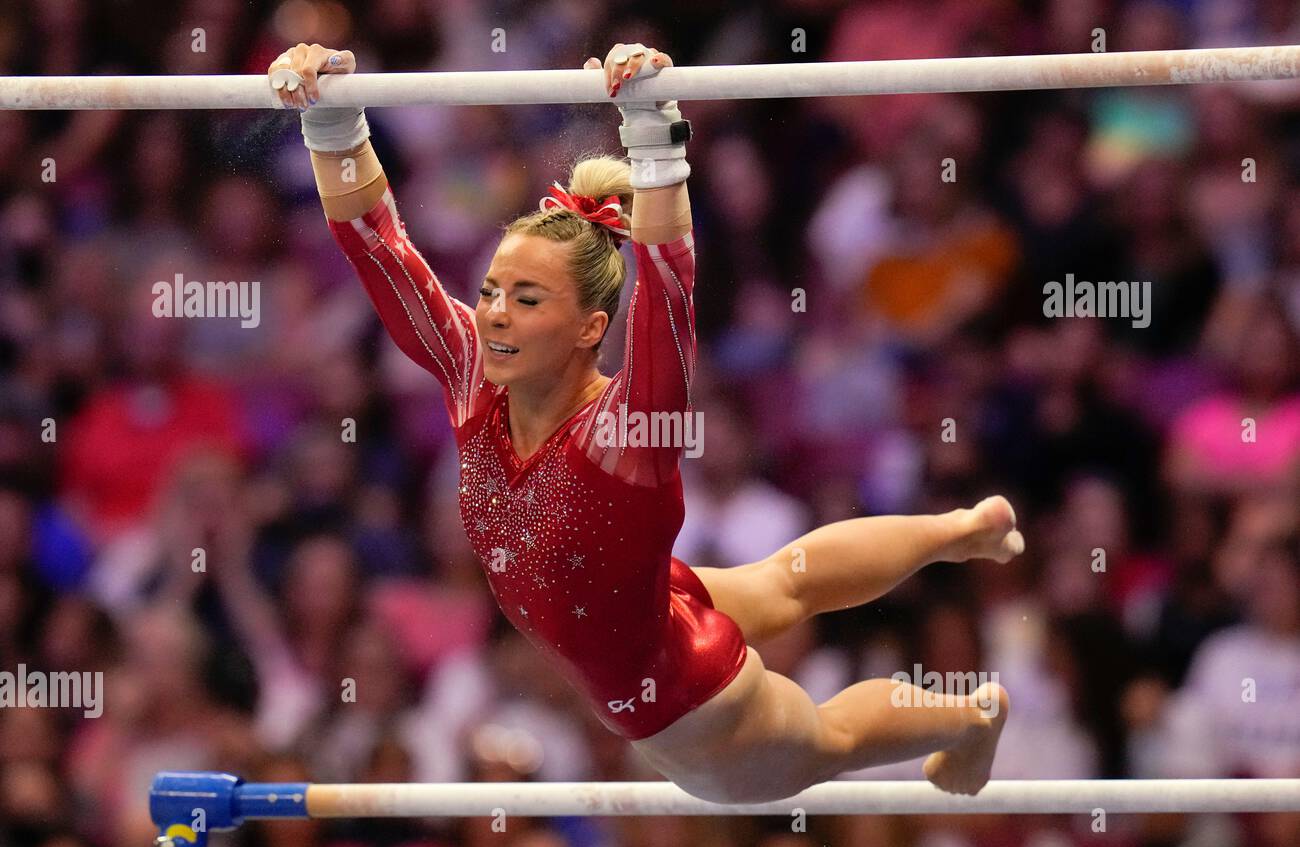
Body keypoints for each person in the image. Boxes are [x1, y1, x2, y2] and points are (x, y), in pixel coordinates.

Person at [267, 41, 1024, 803]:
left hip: (693, 707)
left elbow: (668, 286)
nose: (492, 312)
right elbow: (382, 252)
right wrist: (332, 124)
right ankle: (961, 530)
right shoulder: (472, 376)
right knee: (781, 582)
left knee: (827, 741)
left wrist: (655, 135)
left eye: (527, 301)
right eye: (493, 289)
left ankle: (964, 720)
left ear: (592, 328)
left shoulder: (625, 435)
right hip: (654, 613)